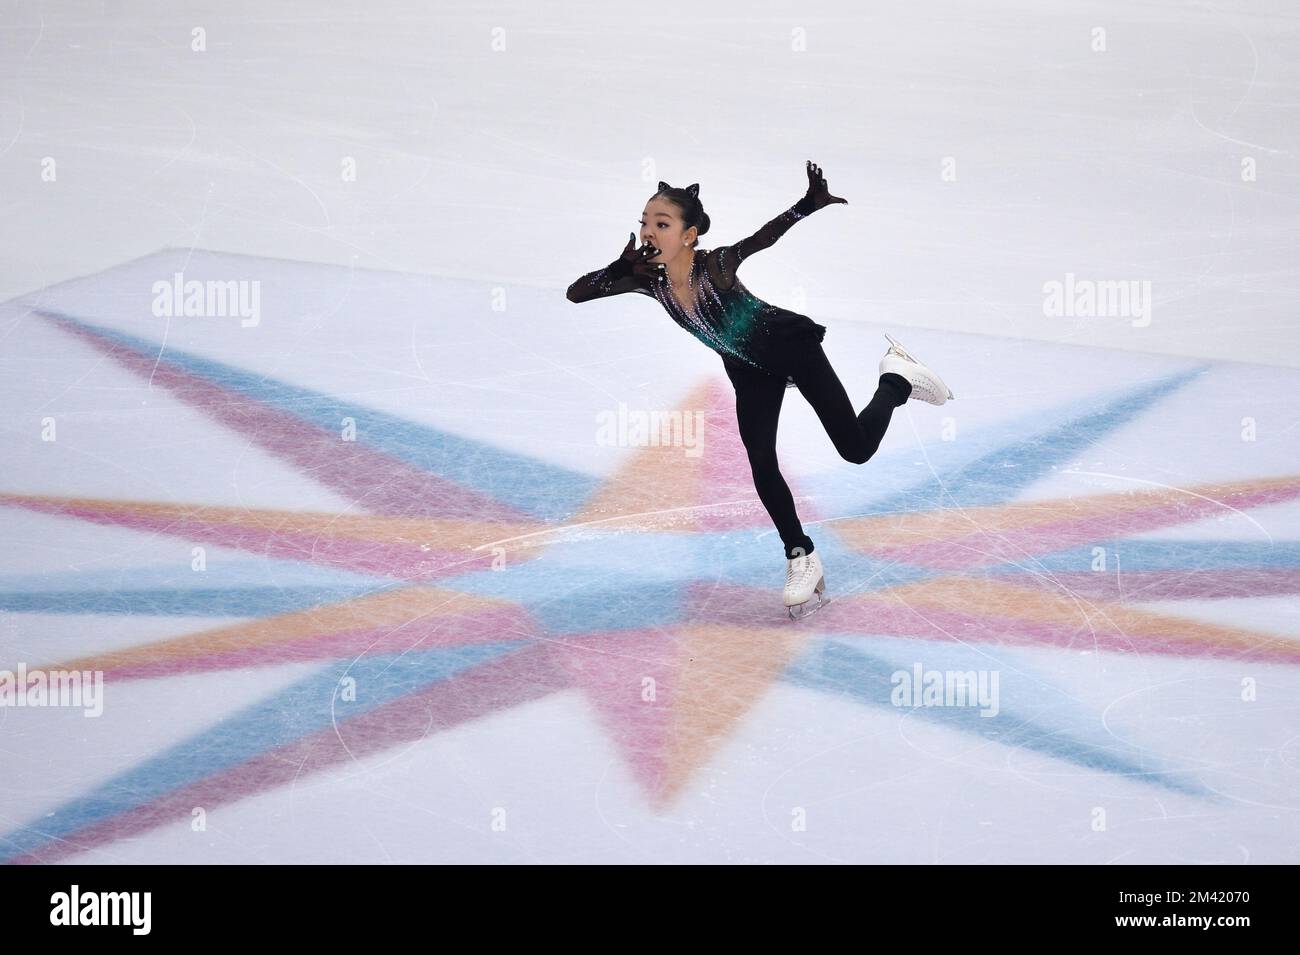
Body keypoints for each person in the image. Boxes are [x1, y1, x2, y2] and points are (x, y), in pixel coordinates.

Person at [567, 161, 953, 618]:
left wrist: (805, 206)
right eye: (645, 223)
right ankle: (800, 554)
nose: (650, 232)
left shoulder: (717, 266)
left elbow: (761, 239)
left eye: (662, 224)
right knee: (761, 463)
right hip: (749, 369)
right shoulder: (648, 281)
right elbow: (577, 293)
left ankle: (895, 380)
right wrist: (618, 266)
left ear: (689, 235)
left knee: (855, 449)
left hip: (790, 348)